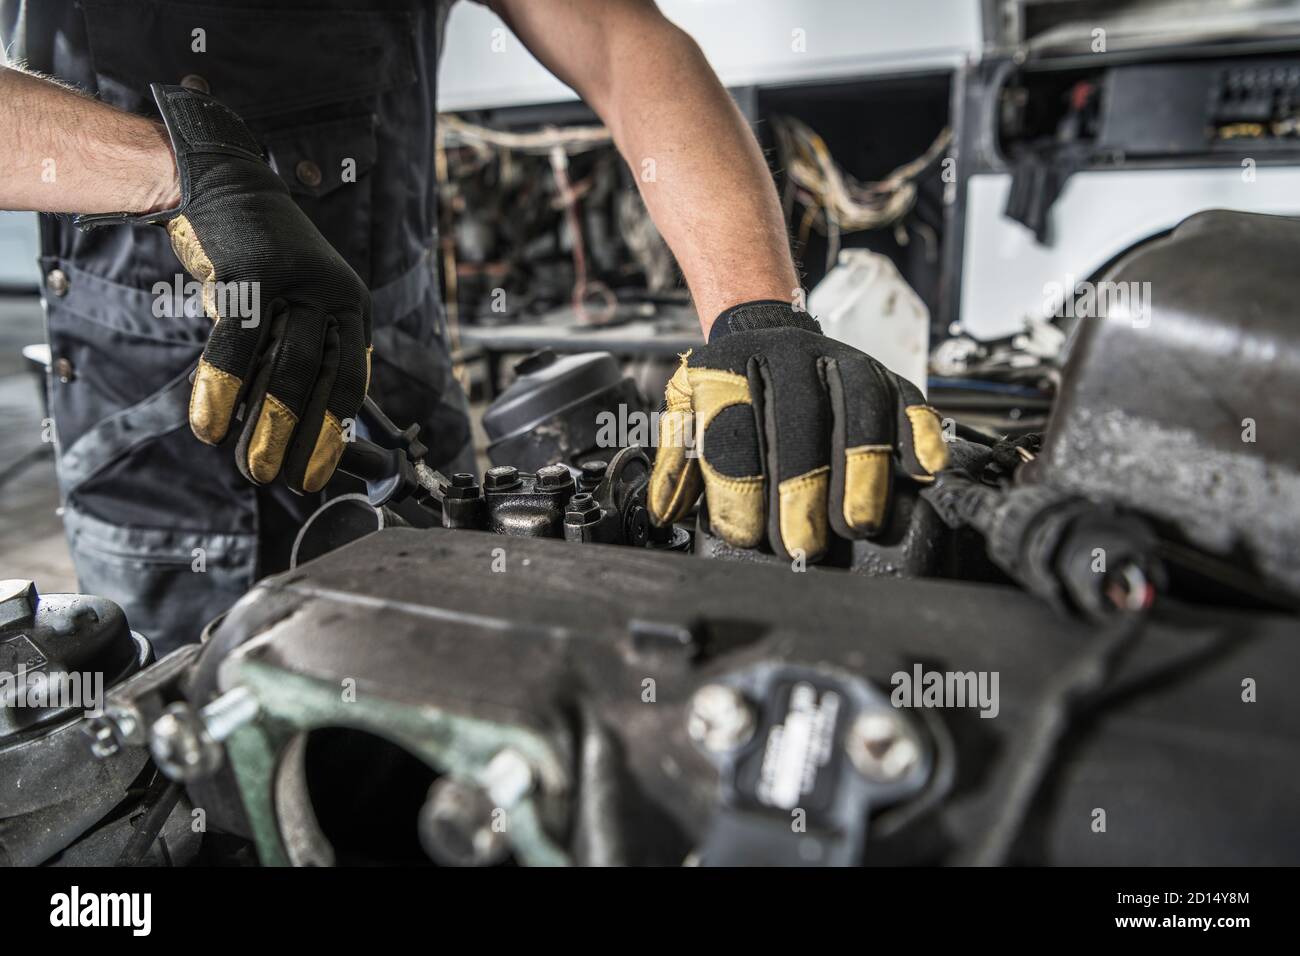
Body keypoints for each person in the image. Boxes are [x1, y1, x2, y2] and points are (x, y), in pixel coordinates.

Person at [0, 0, 946, 652]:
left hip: (395, 412)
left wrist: (755, 310)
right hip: (153, 456)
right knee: (187, 766)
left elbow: (620, 38)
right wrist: (181, 170)